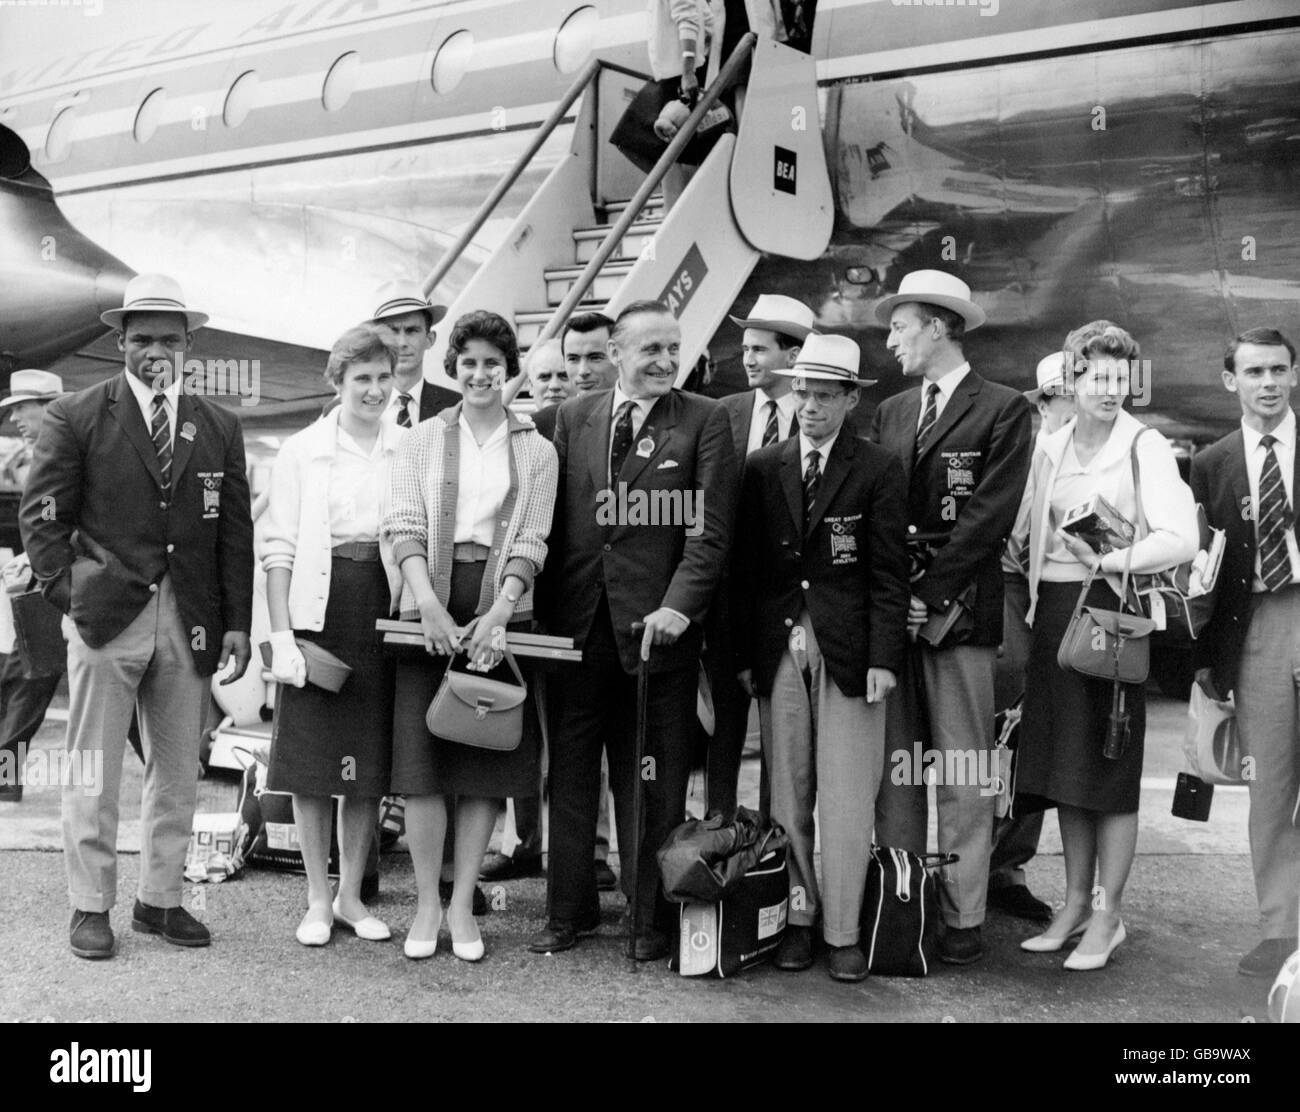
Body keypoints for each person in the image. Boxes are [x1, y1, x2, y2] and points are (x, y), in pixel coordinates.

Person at [19, 273, 254, 959]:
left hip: (191, 620)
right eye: (143, 337)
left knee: (178, 770)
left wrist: (236, 619)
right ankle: (91, 905)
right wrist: (73, 594)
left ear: (191, 344)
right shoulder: (79, 414)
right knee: (91, 768)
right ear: (120, 340)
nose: (157, 349)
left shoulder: (218, 425)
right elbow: (42, 518)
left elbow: (233, 530)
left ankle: (161, 899)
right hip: (105, 617)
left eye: (171, 340)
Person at [528, 299, 737, 960]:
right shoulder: (569, 418)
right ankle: (569, 913)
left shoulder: (705, 421)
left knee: (651, 781)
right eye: (651, 349)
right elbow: (548, 523)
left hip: (659, 636)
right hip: (576, 629)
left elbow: (708, 534)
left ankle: (649, 920)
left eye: (674, 349)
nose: (666, 361)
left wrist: (680, 606)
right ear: (616, 351)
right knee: (568, 776)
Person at [1017, 320, 1197, 970]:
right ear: (1073, 378)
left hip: (1113, 613)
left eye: (1121, 378)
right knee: (1068, 769)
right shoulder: (1052, 443)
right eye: (1098, 377)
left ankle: (1108, 914)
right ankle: (1072, 904)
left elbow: (1183, 537)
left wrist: (1119, 555)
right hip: (1056, 617)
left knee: (1111, 768)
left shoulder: (1143, 445)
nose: (1111, 389)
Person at [731, 334, 909, 981]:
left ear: (850, 400)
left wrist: (884, 657)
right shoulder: (763, 465)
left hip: (852, 653)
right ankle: (797, 919)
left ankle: (844, 931)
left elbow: (890, 573)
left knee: (846, 796)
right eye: (803, 391)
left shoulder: (878, 467)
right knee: (788, 793)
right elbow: (747, 575)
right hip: (781, 647)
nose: (809, 405)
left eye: (825, 395)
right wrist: (751, 656)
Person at [869, 269, 1032, 965]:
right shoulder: (894, 410)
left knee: (963, 766)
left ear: (937, 326)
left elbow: (988, 518)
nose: (891, 339)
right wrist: (889, 597)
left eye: (901, 327)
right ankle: (905, 902)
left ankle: (965, 912)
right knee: (897, 769)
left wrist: (927, 595)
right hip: (894, 612)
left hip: (958, 611)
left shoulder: (1003, 408)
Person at [384, 310, 557, 962]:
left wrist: (501, 612)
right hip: (428, 599)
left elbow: (534, 538)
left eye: (493, 362)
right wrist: (426, 601)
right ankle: (426, 903)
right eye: (470, 362)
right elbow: (400, 523)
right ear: (452, 367)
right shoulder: (421, 439)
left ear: (507, 370)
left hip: (500, 607)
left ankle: (462, 907)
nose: (480, 373)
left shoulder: (537, 449)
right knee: (423, 765)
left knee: (484, 760)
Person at [260, 325, 405, 946]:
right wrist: (283, 634)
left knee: (366, 766)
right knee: (313, 763)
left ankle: (351, 895)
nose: (374, 390)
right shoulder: (303, 449)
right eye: (361, 379)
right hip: (319, 610)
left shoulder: (410, 446)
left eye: (382, 377)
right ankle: (317, 898)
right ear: (338, 384)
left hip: (381, 606)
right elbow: (279, 547)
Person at [1191, 326, 1300, 980]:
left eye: (1279, 371)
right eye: (1254, 372)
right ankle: (1280, 928)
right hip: (1257, 626)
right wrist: (1206, 663)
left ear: (1293, 375)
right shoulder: (1212, 462)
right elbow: (1205, 570)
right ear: (1231, 379)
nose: (1268, 384)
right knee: (1270, 785)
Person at [711, 293, 812, 816]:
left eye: (759, 349)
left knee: (785, 734)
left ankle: (778, 850)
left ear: (793, 356)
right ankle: (718, 841)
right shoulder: (722, 414)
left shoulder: (821, 416)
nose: (746, 359)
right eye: (745, 348)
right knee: (723, 732)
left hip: (789, 599)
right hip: (728, 597)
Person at [988, 350, 1076, 923]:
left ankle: (1008, 867)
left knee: (1037, 738)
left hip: (1067, 601)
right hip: (1013, 593)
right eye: (1074, 392)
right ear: (1048, 401)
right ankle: (966, 862)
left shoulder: (1095, 455)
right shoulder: (1024, 454)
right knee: (995, 733)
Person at [0, 370, 67, 804]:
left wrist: (30, 557)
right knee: (17, 674)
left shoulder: (65, 453)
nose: (15, 418)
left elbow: (66, 518)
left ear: (49, 407)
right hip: (38, 579)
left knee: (32, 676)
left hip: (60, 581)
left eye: (23, 408)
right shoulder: (38, 452)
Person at [370, 281, 458, 426]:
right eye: (393, 331)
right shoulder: (348, 408)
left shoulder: (456, 407)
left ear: (430, 339)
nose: (402, 342)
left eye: (412, 331)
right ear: (377, 340)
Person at [562, 312, 617, 395]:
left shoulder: (640, 407)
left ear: (617, 356)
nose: (583, 371)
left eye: (595, 358)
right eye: (573, 359)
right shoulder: (561, 408)